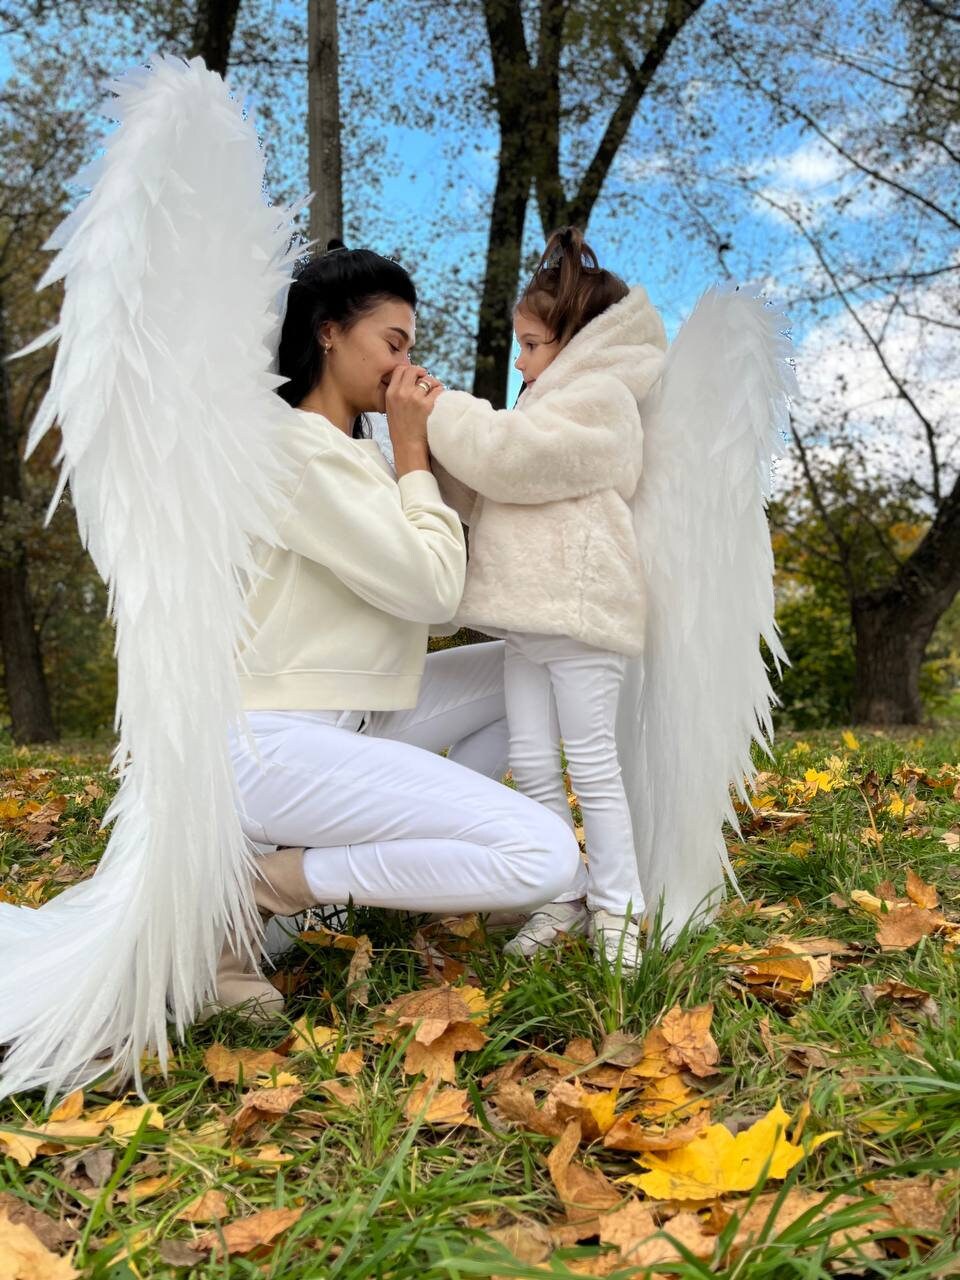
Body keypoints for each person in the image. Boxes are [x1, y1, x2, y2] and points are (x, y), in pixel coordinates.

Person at [207, 242, 583, 1018]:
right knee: (541, 855)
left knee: (539, 657)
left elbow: (444, 611)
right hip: (269, 745)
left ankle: (401, 851)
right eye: (394, 342)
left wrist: (418, 467)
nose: (404, 363)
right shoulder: (292, 451)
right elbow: (429, 584)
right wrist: (413, 453)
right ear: (327, 334)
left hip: (358, 718)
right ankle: (272, 883)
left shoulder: (361, 458)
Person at [422, 228, 668, 969]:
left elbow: (518, 462)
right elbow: (494, 484)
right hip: (530, 616)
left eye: (531, 345)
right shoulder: (546, 401)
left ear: (579, 341)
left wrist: (445, 411)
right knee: (531, 759)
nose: (521, 362)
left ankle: (622, 906)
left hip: (581, 611)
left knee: (591, 763)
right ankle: (562, 890)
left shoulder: (602, 399)